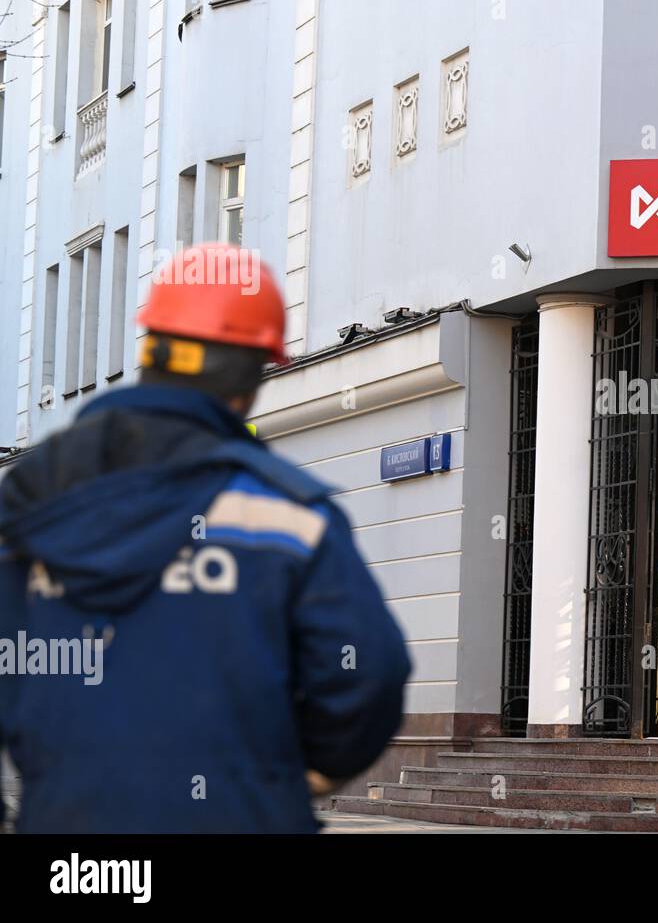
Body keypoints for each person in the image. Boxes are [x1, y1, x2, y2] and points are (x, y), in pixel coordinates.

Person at [0, 243, 410, 832]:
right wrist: (294, 779)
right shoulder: (289, 516)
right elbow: (369, 673)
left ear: (151, 352)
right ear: (250, 376)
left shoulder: (28, 506)